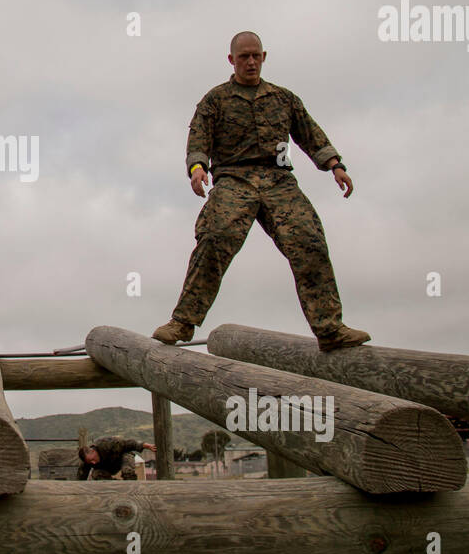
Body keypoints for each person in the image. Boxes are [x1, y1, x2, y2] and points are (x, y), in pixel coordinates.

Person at [152, 31, 371, 352]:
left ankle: (330, 329)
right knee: (215, 237)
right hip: (233, 178)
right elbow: (198, 139)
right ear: (232, 60)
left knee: (309, 241)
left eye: (256, 55)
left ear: (264, 57)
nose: (251, 62)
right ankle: (182, 322)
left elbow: (310, 133)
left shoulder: (283, 99)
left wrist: (335, 164)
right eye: (244, 57)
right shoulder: (216, 99)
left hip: (278, 180)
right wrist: (197, 168)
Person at [78, 437, 156, 480]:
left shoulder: (107, 444)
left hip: (122, 457)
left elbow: (129, 443)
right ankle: (114, 487)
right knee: (96, 474)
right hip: (109, 468)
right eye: (90, 462)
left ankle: (132, 487)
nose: (93, 463)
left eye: (93, 459)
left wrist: (147, 446)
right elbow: (80, 480)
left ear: (93, 451)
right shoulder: (86, 462)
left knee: (127, 471)